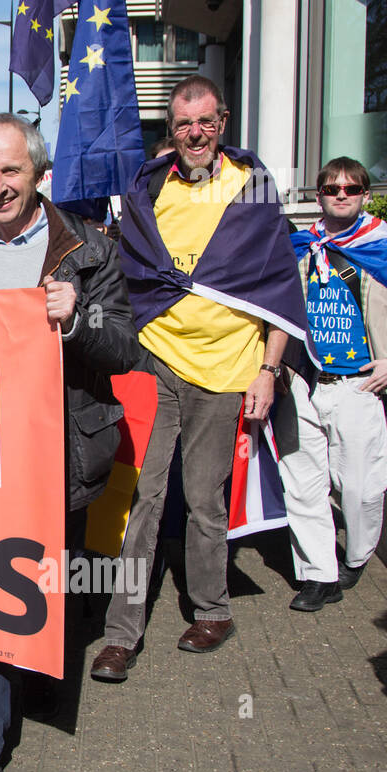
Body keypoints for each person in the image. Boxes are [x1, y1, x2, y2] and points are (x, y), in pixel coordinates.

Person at [0, 114, 140, 772]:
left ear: (37, 174)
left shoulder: (90, 247)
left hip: (58, 446)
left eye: (9, 170)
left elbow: (124, 344)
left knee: (51, 578)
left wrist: (79, 318)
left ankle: (43, 674)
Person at [89, 75, 307, 681]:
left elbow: (280, 290)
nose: (195, 133)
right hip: (156, 360)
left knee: (205, 500)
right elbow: (129, 273)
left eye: (206, 122)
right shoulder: (148, 187)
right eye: (184, 124)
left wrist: (269, 369)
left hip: (228, 368)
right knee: (141, 497)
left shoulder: (254, 189)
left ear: (223, 122)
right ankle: (120, 634)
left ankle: (212, 609)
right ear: (172, 131)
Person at [276, 157, 387, 611]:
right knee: (303, 483)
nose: (340, 194)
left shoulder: (382, 246)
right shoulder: (298, 247)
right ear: (318, 195)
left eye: (350, 188)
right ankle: (316, 574)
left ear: (365, 195)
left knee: (361, 488)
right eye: (330, 188)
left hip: (360, 383)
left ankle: (357, 555)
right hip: (304, 378)